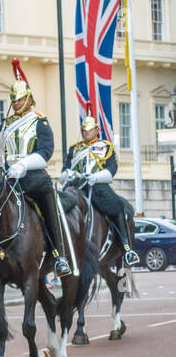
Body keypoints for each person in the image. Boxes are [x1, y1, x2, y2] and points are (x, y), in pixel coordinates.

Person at [3, 58, 72, 278]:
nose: (15, 103)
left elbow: (45, 154)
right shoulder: (6, 124)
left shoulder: (39, 121)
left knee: (47, 201)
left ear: (29, 98)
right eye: (13, 99)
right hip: (9, 176)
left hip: (32, 176)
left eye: (20, 99)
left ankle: (59, 253)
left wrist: (23, 165)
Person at [62, 107, 140, 267]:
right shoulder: (74, 148)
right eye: (84, 130)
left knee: (116, 206)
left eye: (89, 130)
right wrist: (69, 174)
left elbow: (111, 170)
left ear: (97, 130)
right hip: (76, 187)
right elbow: (64, 170)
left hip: (98, 186)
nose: (86, 133)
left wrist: (96, 177)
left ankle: (127, 248)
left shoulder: (106, 147)